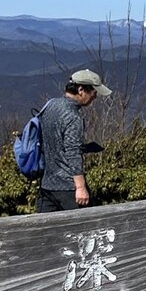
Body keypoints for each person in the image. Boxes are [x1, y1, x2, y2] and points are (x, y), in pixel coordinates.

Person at [36, 69, 111, 212]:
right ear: (81, 90)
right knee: (86, 224)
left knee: (45, 226)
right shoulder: (73, 117)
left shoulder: (50, 106)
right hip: (68, 187)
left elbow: (53, 141)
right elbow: (72, 152)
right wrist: (81, 187)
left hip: (47, 185)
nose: (95, 96)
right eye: (94, 92)